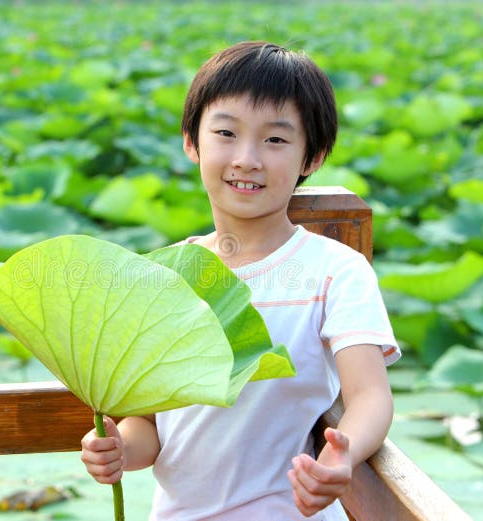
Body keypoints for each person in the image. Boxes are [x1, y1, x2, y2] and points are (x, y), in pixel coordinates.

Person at [81, 41, 400, 520]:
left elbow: (369, 395)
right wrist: (119, 449)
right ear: (192, 141)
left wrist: (342, 453)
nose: (247, 158)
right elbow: (149, 423)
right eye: (226, 133)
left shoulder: (336, 270)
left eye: (275, 140)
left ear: (312, 156)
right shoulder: (161, 275)